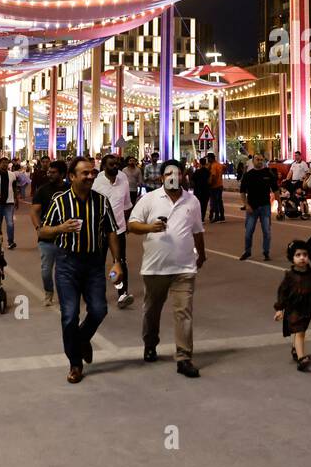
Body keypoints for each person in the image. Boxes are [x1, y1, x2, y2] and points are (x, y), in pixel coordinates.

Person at [40, 156, 122, 384]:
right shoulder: (60, 201)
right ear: (72, 176)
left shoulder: (102, 202)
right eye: (84, 173)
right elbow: (43, 232)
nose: (90, 176)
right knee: (69, 315)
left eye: (92, 172)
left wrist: (117, 261)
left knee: (99, 310)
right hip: (67, 264)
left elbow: (112, 232)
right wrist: (59, 228)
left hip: (94, 264)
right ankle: (75, 363)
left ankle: (82, 338)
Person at [129, 159, 206, 378]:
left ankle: (184, 358)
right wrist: (149, 227)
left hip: (184, 268)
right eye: (169, 173)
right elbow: (132, 225)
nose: (174, 177)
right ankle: (150, 344)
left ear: (184, 176)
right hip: (155, 269)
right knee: (152, 310)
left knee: (184, 312)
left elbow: (198, 231)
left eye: (178, 173)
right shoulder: (150, 199)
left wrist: (202, 255)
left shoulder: (192, 201)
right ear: (162, 177)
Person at [274, 240, 311, 372]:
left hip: (307, 308)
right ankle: (302, 358)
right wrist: (280, 309)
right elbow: (282, 293)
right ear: (292, 258)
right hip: (294, 309)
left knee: (300, 330)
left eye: (305, 254)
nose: (302, 258)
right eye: (298, 255)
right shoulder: (290, 277)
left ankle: (295, 349)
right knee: (300, 331)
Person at [92, 153, 135, 309]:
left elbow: (126, 205)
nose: (115, 166)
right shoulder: (96, 182)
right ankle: (98, 295)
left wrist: (126, 223)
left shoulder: (123, 179)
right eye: (111, 164)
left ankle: (122, 293)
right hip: (100, 231)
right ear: (104, 166)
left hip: (119, 230)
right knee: (98, 264)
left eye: (117, 163)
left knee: (120, 263)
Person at [31, 160, 68, 305]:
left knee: (63, 270)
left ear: (62, 174)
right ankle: (48, 292)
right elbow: (34, 211)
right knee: (46, 270)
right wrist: (38, 228)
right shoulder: (43, 190)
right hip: (47, 237)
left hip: (66, 237)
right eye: (49, 172)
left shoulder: (70, 189)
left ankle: (65, 294)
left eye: (53, 173)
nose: (49, 175)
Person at [239, 153, 279, 260]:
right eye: (257, 159)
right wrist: (246, 205)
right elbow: (242, 192)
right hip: (252, 208)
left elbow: (276, 190)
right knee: (248, 232)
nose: (260, 161)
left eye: (261, 160)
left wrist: (279, 205)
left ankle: (266, 252)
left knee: (267, 231)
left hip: (265, 207)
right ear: (253, 161)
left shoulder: (268, 173)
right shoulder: (248, 175)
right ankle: (247, 251)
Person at [0, 157, 19, 250]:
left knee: (10, 223)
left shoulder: (12, 174)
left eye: (6, 163)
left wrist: (16, 198)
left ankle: (11, 242)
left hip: (9, 202)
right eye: (3, 163)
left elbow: (14, 188)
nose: (5, 164)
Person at [190, 155, 212, 222]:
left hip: (198, 191)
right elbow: (209, 181)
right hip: (206, 190)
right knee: (204, 205)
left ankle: (198, 218)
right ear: (205, 163)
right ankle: (202, 218)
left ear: (200, 163)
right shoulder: (208, 172)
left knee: (198, 205)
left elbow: (192, 180)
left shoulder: (197, 172)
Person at [206, 154, 225, 222]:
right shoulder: (219, 164)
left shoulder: (213, 166)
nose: (207, 160)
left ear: (211, 158)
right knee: (220, 201)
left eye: (208, 158)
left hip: (214, 186)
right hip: (220, 185)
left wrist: (209, 183)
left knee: (214, 202)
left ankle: (216, 216)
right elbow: (224, 168)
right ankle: (222, 216)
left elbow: (213, 176)